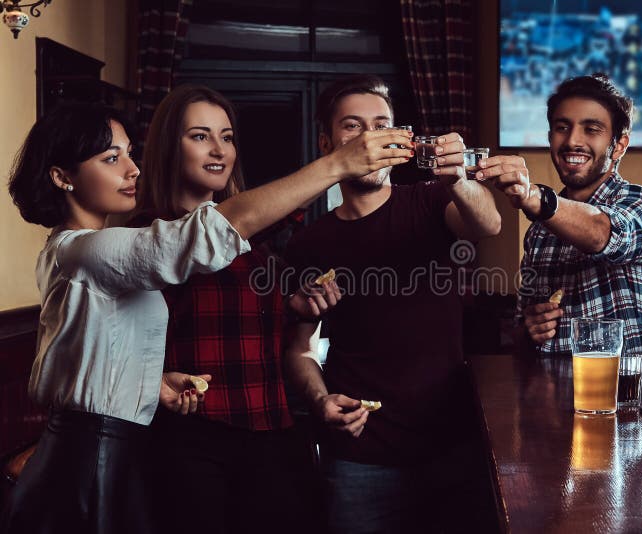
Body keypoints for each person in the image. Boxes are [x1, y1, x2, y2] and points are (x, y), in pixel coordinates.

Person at [1, 101, 412, 534]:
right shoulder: (85, 250)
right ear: (62, 177)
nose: (132, 169)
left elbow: (87, 357)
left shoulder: (87, 251)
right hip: (90, 463)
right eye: (111, 158)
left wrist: (153, 384)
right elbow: (206, 234)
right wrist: (336, 164)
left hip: (103, 451)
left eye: (127, 153)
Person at [284, 75, 503, 534]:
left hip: (453, 449)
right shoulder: (308, 242)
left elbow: (488, 224)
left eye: (381, 124)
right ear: (327, 142)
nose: (369, 138)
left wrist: (458, 178)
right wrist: (321, 400)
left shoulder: (429, 200)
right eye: (352, 127)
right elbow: (299, 348)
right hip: (361, 458)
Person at [131, 85, 340, 533]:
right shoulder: (146, 234)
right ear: (170, 145)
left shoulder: (252, 246)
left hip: (271, 429)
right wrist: (339, 163)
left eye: (226, 137)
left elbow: (236, 318)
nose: (218, 149)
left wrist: (295, 308)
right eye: (200, 136)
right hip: (194, 436)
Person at [493, 73, 642, 356]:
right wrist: (530, 329)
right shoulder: (539, 231)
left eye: (591, 129)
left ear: (619, 146)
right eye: (562, 127)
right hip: (550, 394)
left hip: (628, 394)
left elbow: (601, 233)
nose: (573, 141)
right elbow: (521, 330)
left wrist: (535, 197)